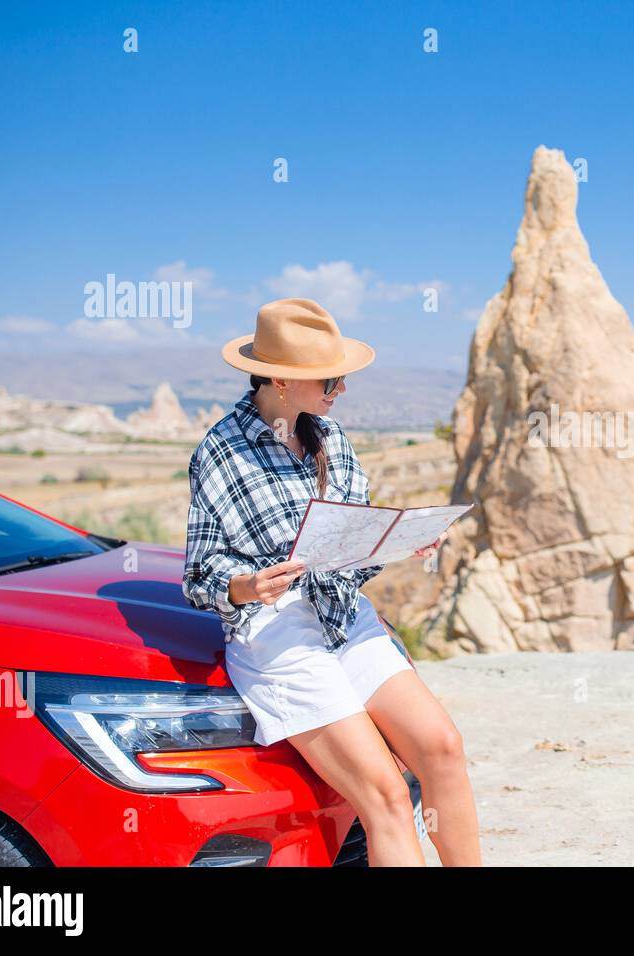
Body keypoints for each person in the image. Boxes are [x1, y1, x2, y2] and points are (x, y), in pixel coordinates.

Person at [182, 297, 480, 866]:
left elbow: (351, 545)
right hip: (277, 636)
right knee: (387, 796)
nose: (339, 388)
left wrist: (398, 540)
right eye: (329, 378)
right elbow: (199, 576)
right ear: (278, 379)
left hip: (343, 615)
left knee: (443, 748)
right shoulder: (219, 453)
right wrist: (247, 586)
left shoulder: (333, 438)